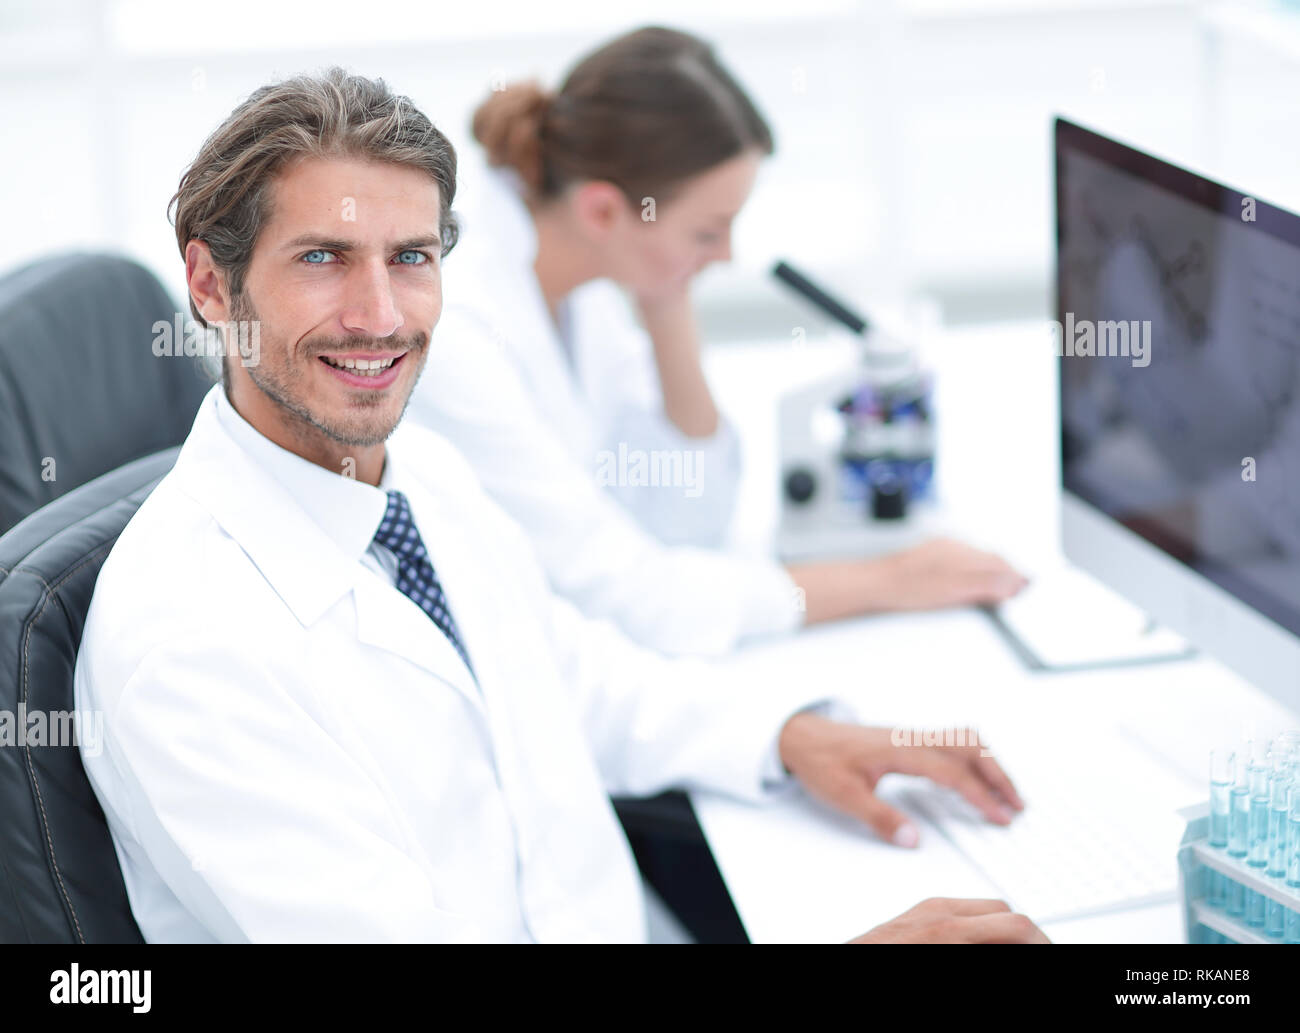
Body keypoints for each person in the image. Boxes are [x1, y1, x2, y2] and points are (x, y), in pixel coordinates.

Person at [72, 68, 1045, 943]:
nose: (379, 315)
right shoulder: (186, 648)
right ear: (210, 283)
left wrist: (786, 736)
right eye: (323, 259)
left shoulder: (420, 473)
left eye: (410, 257)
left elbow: (560, 671)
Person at [406, 25, 1029, 658]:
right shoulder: (459, 326)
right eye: (709, 232)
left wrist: (667, 300)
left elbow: (689, 516)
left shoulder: (582, 278)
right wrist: (890, 581)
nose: (726, 256)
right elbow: (628, 600)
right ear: (602, 212)